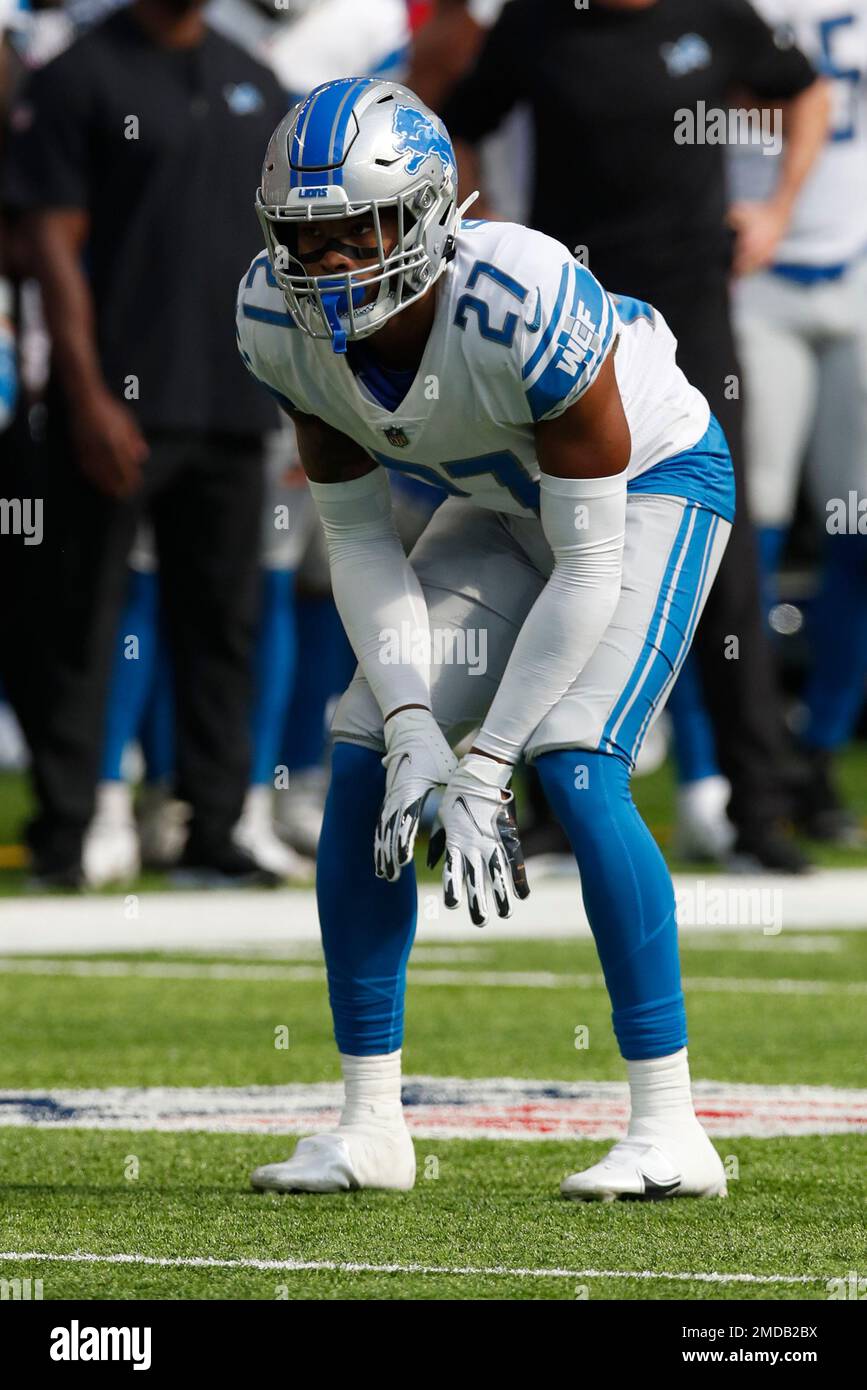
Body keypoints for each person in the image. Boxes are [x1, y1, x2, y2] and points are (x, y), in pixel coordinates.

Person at [238, 79, 735, 1201]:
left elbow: (593, 561)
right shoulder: (278, 323)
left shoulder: (525, 294)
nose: (322, 265)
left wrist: (488, 760)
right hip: (509, 508)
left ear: (421, 215)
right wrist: (418, 723)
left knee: (571, 752)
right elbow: (359, 540)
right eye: (301, 238)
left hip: (647, 491)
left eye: (350, 230)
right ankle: (371, 1125)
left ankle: (670, 1125)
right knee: (364, 746)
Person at [441, 0, 831, 871]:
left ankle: (757, 813)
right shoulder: (536, 24)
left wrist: (777, 209)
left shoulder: (712, 15)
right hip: (567, 325)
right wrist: (487, 237)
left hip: (691, 316)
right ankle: (545, 812)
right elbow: (459, 124)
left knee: (728, 574)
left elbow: (805, 93)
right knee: (554, 550)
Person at [1, 0, 289, 885]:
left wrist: (303, 393)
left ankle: (213, 828)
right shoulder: (81, 76)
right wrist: (85, 393)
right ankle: (69, 827)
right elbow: (50, 242)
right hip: (119, 402)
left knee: (222, 624)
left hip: (234, 399)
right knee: (79, 621)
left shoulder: (255, 79)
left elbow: (292, 247)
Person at [728, 0, 867, 845]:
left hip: (856, 263)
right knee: (750, 528)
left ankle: (815, 747)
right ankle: (742, 761)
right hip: (754, 266)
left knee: (858, 527)